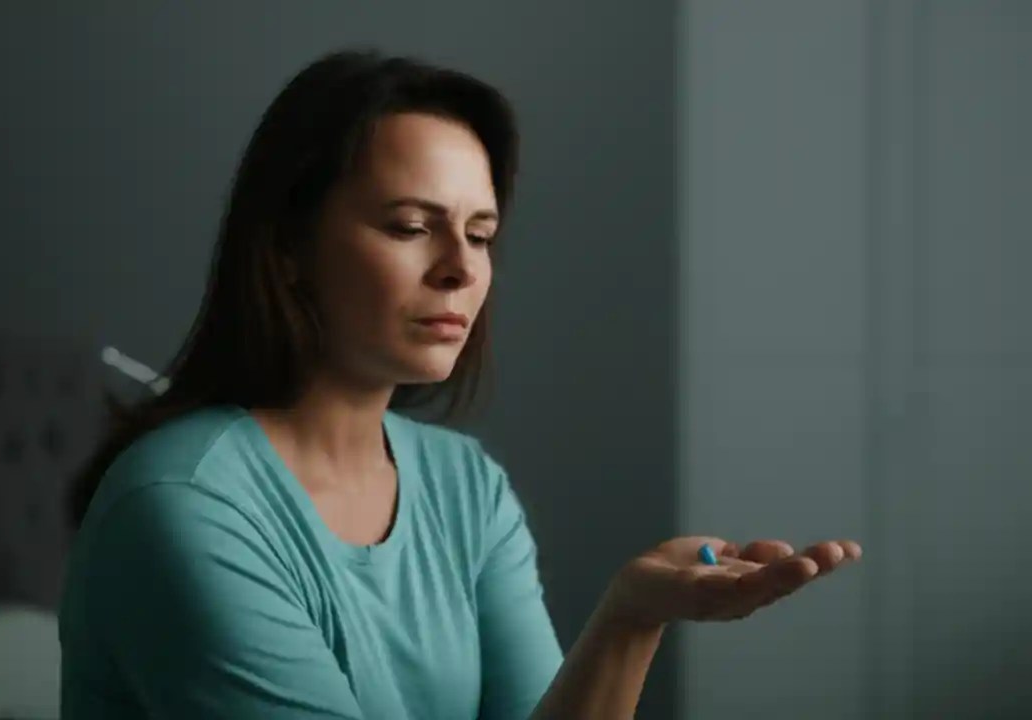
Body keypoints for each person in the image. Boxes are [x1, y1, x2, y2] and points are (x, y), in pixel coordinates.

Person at [58, 49, 862, 720]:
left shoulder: (465, 487)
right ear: (289, 245)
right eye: (411, 227)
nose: (461, 267)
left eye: (481, 234)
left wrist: (631, 617)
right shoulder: (185, 505)